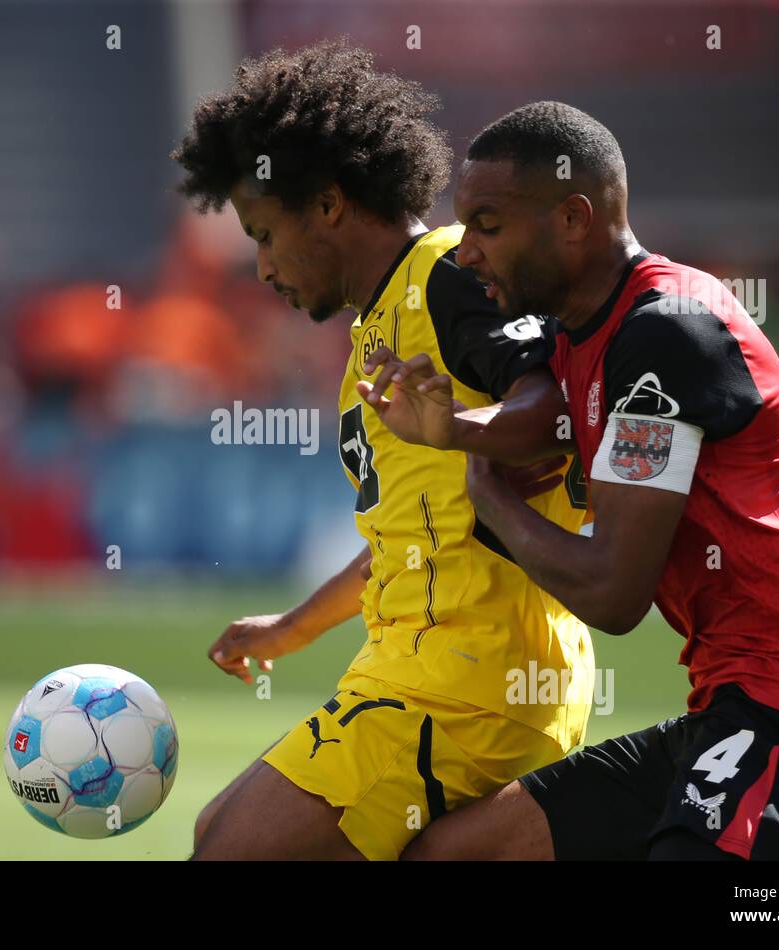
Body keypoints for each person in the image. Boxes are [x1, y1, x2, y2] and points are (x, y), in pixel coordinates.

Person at [361, 100, 779, 860]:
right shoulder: (581, 334)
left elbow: (613, 594)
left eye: (486, 225)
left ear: (573, 219)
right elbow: (545, 423)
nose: (465, 254)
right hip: (732, 698)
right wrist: (453, 428)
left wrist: (483, 488)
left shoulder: (665, 334)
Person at [170, 44, 595, 860]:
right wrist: (294, 627)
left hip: (466, 685)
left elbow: (561, 396)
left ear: (328, 204)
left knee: (230, 845)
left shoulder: (447, 275)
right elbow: (418, 528)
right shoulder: (377, 337)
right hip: (427, 674)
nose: (261, 268)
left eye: (264, 235)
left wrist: (485, 437)